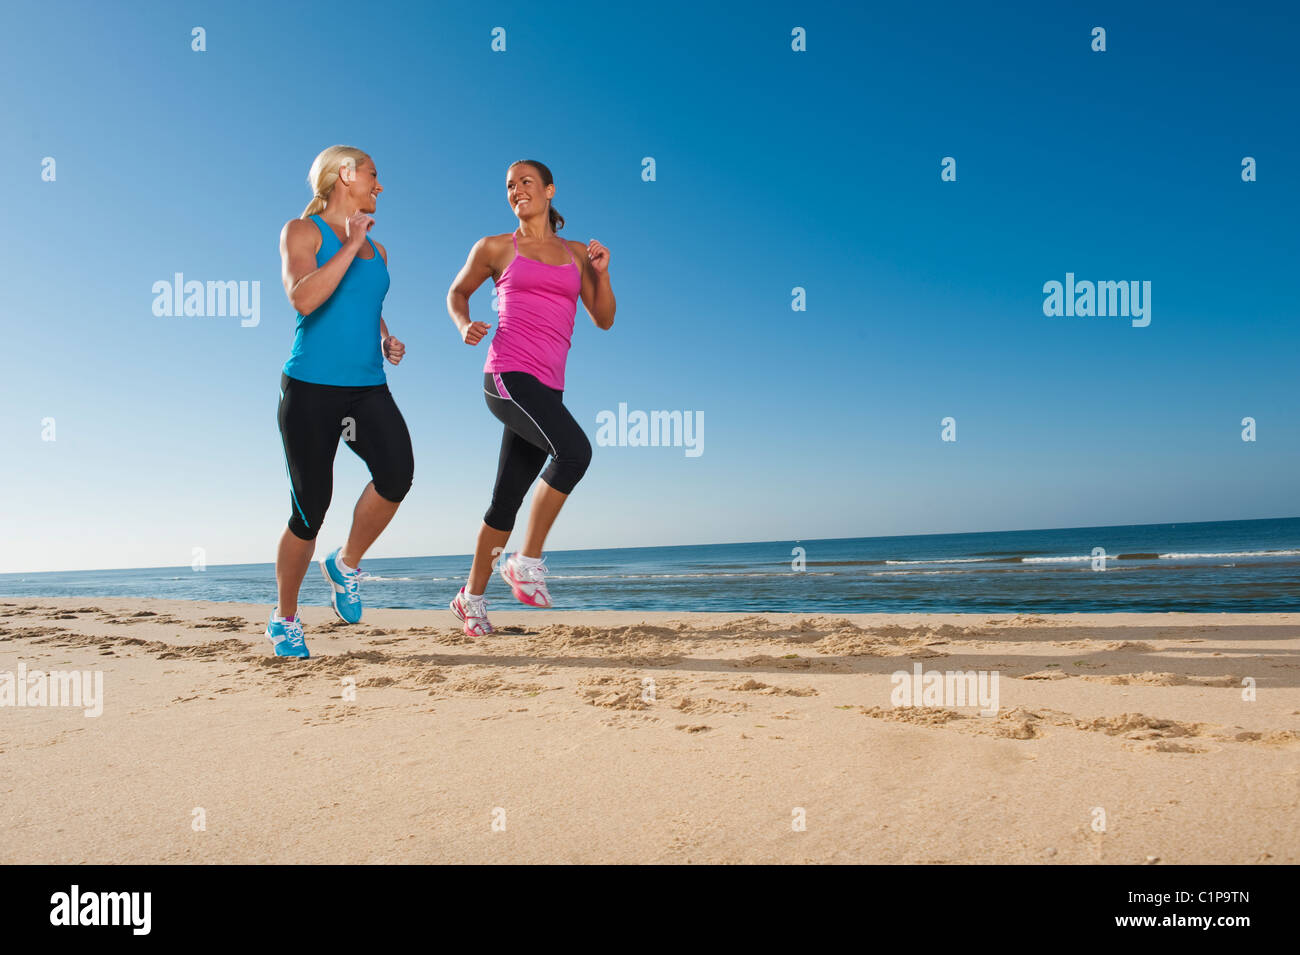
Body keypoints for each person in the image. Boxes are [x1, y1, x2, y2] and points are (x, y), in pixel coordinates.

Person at [445, 159, 615, 636]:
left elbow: (604, 318)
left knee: (505, 502)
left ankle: (471, 599)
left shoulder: (577, 253)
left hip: (548, 386)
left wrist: (602, 274)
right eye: (509, 186)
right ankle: (526, 560)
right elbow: (457, 293)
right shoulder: (495, 247)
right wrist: (464, 325)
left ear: (549, 190)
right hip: (506, 375)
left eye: (525, 182)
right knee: (575, 452)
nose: (516, 190)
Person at [266, 145, 414, 658]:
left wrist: (385, 338)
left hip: (366, 389)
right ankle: (285, 618)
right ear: (345, 175)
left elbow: (363, 303)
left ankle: (345, 564)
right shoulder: (302, 232)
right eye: (373, 174)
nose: (379, 184)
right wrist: (350, 245)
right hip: (309, 389)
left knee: (397, 475)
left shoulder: (380, 249)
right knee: (310, 509)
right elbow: (304, 297)